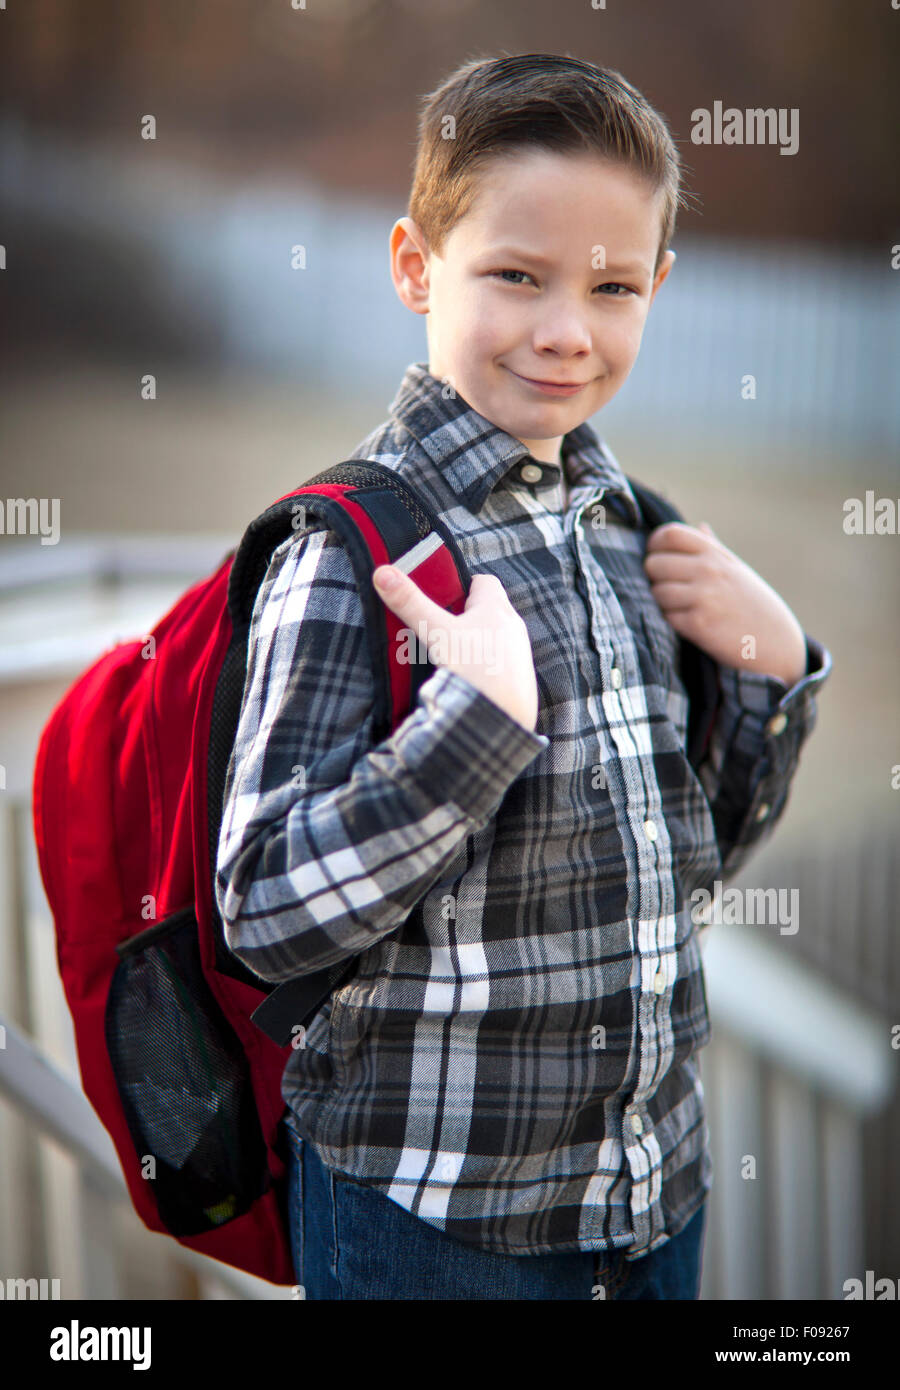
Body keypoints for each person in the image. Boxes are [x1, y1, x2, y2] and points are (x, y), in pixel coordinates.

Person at [215, 52, 831, 1300]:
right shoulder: (361, 551)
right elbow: (265, 915)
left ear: (658, 287)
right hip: (435, 1217)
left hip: (652, 1199)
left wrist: (777, 672)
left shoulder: (632, 533)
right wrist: (475, 729)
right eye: (515, 275)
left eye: (612, 286)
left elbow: (683, 858)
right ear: (413, 266)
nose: (566, 329)